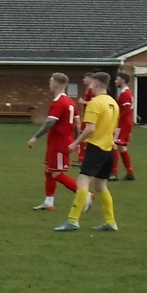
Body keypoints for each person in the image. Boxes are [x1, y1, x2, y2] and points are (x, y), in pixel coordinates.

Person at [55, 71, 120, 232]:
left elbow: (90, 129)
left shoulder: (95, 103)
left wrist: (76, 142)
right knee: (101, 185)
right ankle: (110, 222)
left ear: (96, 84)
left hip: (96, 148)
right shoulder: (113, 103)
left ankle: (73, 220)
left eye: (91, 83)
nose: (89, 86)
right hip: (109, 149)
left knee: (83, 182)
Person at [26, 73, 80, 212]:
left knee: (57, 173)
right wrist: (77, 141)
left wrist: (35, 137)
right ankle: (48, 202)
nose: (49, 85)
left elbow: (50, 122)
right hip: (59, 142)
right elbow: (76, 123)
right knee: (49, 171)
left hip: (59, 142)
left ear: (55, 85)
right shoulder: (70, 102)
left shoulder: (59, 102)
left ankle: (85, 196)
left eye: (50, 83)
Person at [112, 72, 137, 181]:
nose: (115, 81)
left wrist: (116, 120)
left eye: (117, 79)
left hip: (122, 124)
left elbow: (126, 110)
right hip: (126, 123)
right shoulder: (126, 92)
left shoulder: (125, 94)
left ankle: (114, 172)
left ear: (122, 80)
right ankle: (130, 172)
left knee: (114, 146)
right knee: (122, 148)